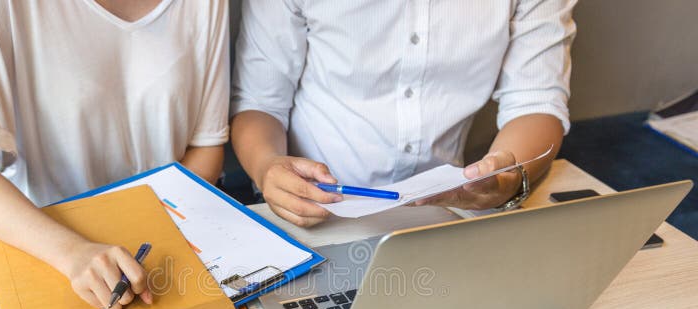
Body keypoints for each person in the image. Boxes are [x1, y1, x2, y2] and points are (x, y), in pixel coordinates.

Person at [0, 0, 229, 309]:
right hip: (46, 246)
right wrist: (72, 252)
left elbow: (206, 149)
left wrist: (147, 230)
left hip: (170, 237)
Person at [231, 0, 576, 227]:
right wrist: (265, 166)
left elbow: (535, 100)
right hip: (311, 212)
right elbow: (259, 102)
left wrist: (508, 178)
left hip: (449, 212)